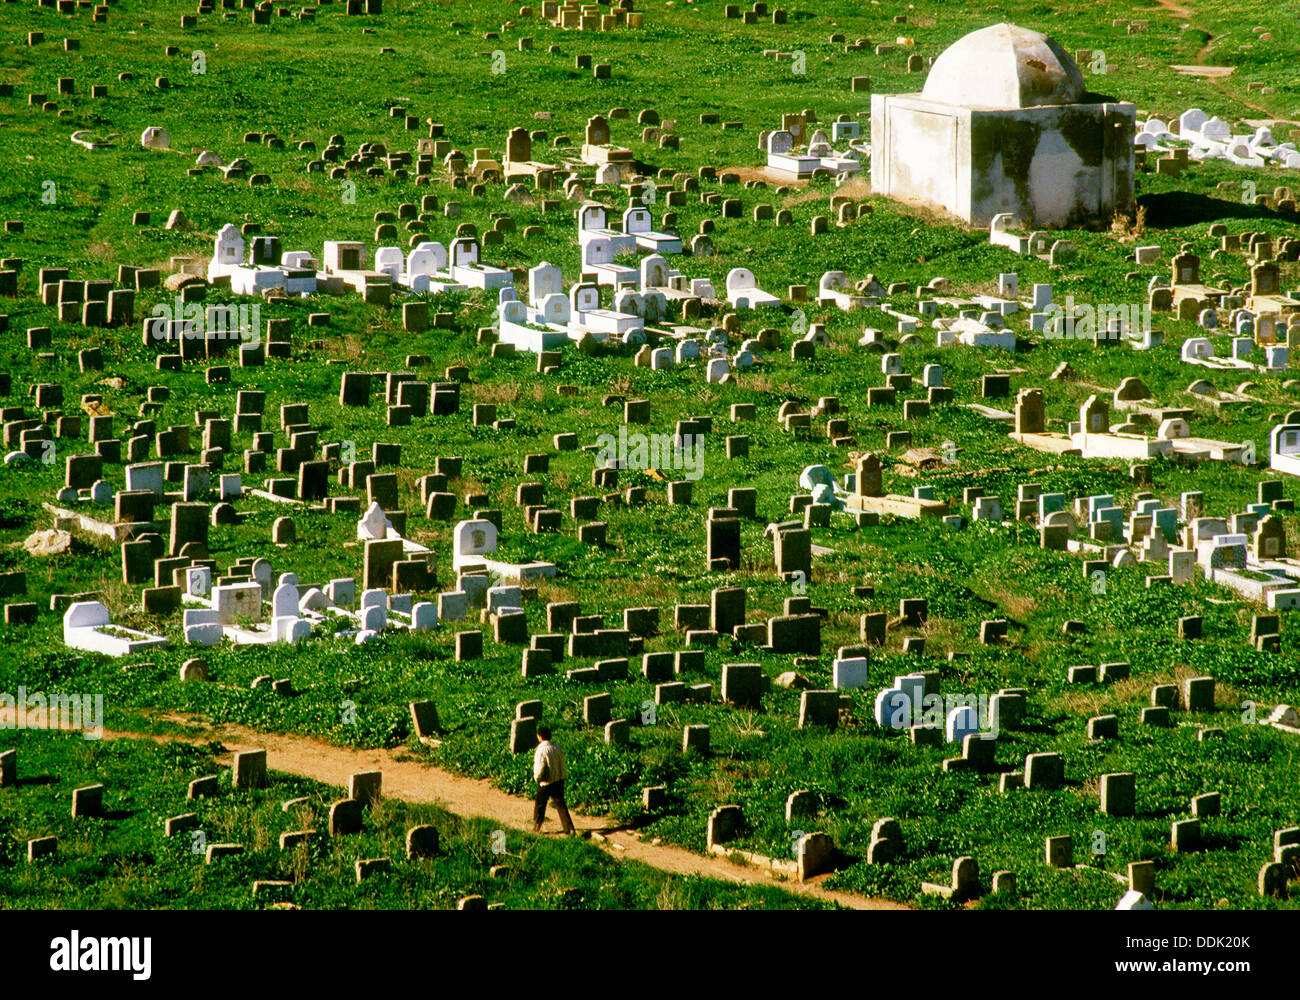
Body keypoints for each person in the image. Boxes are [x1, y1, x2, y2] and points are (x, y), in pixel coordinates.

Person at [532, 726, 575, 834]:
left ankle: (536, 827)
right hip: (558, 780)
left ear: (539, 736)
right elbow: (562, 764)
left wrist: (537, 778)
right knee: (561, 805)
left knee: (540, 805)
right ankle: (569, 828)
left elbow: (540, 767)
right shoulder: (557, 747)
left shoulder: (541, 750)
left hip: (545, 782)